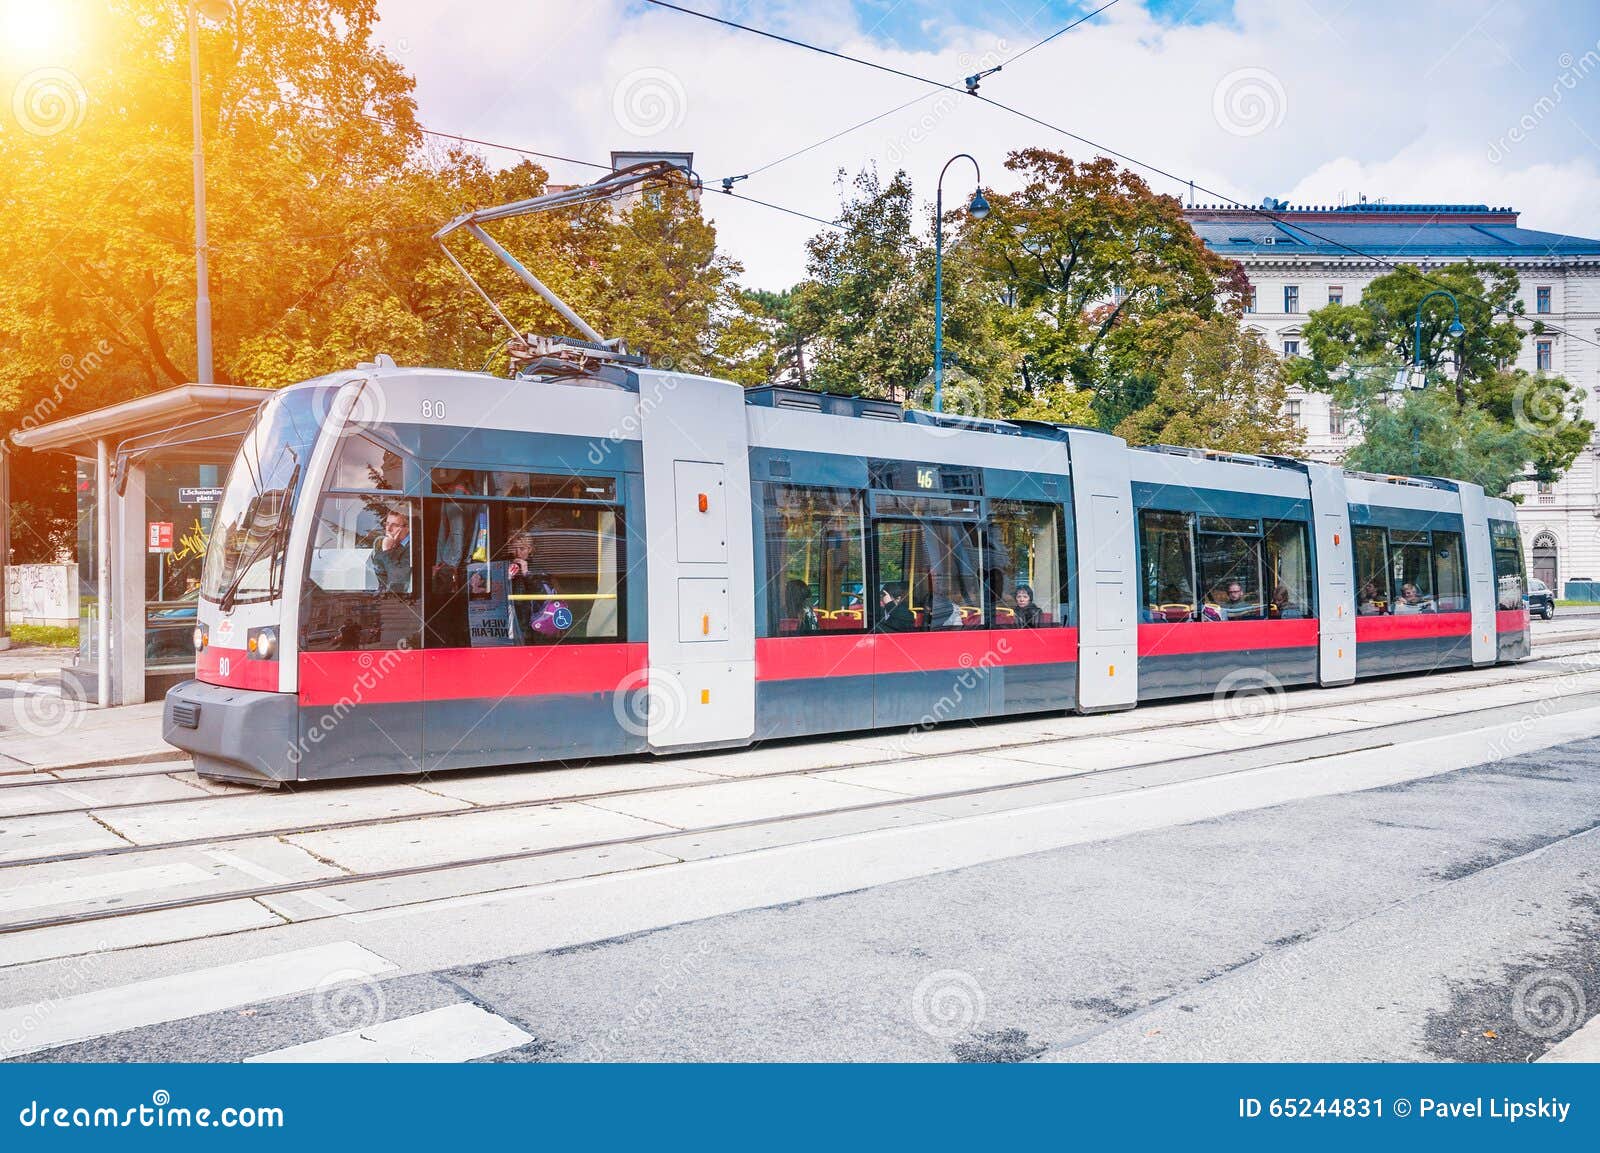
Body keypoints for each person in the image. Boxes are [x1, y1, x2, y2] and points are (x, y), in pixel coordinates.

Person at [505, 530, 563, 644]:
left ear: (530, 550)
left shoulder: (537, 568)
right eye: (514, 548)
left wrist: (527, 574)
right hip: (511, 620)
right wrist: (505, 578)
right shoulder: (505, 566)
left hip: (532, 622)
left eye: (522, 549)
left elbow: (544, 596)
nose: (517, 553)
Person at [370, 509, 412, 595]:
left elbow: (397, 584)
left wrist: (387, 551)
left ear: (407, 528)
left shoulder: (412, 548)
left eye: (394, 525)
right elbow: (377, 569)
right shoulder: (389, 543)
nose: (388, 529)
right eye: (387, 524)